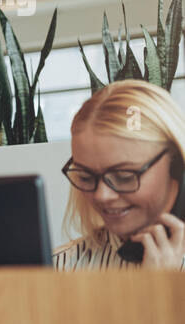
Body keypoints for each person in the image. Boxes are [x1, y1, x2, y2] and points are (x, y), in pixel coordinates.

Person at [54, 79, 185, 270]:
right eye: (86, 177)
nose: (102, 196)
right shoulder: (59, 268)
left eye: (124, 176)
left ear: (175, 165)